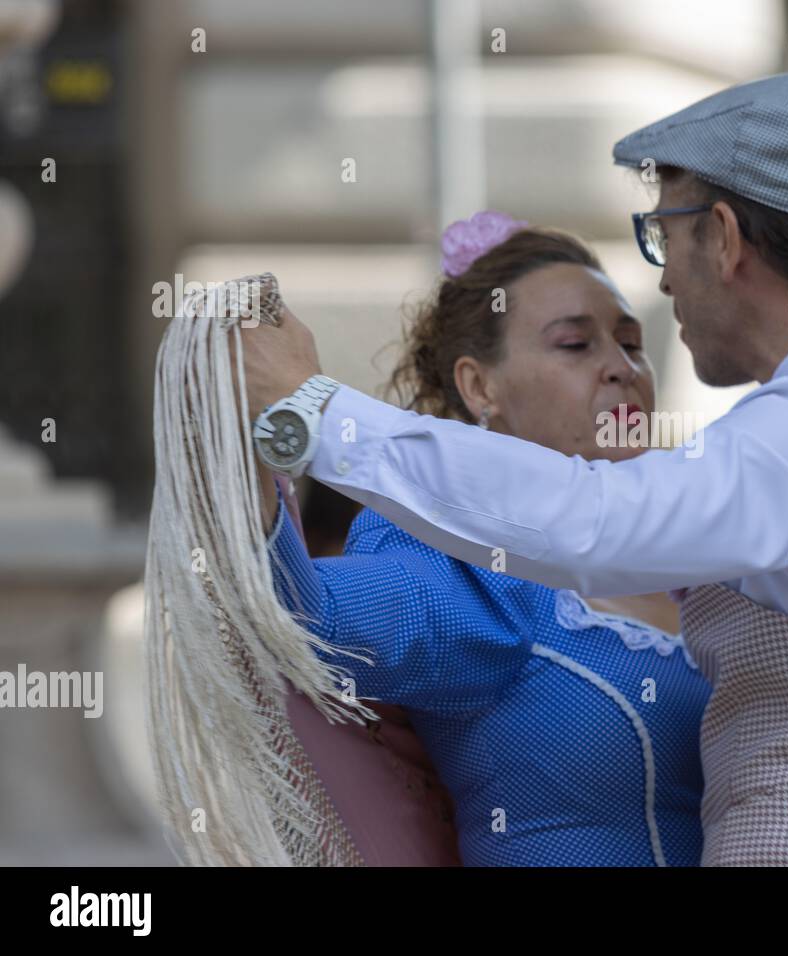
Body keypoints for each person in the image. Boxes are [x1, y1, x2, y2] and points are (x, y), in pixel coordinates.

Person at [237, 73, 788, 866]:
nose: (663, 284)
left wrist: (311, 410)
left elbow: (592, 523)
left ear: (724, 236)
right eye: (575, 341)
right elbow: (317, 612)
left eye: (661, 234)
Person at [261, 216, 710, 866]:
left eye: (633, 343)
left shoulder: (712, 548)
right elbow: (301, 612)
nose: (622, 369)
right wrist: (260, 426)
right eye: (576, 345)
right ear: (480, 388)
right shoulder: (466, 561)